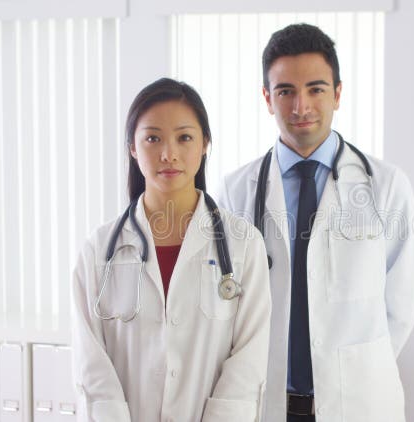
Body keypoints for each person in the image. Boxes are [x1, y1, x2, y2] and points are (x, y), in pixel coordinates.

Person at [218, 24, 414, 421]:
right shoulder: (236, 191)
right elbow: (225, 307)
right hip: (264, 404)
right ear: (267, 98)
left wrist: (357, 371)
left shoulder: (385, 185)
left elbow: (401, 302)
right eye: (286, 91)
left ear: (338, 94)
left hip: (359, 404)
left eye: (315, 89)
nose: (301, 106)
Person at [71, 78, 271, 422]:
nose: (169, 154)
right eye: (153, 138)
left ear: (205, 144)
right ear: (132, 148)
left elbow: (248, 361)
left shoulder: (244, 245)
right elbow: (91, 365)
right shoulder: (98, 251)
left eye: (184, 137)